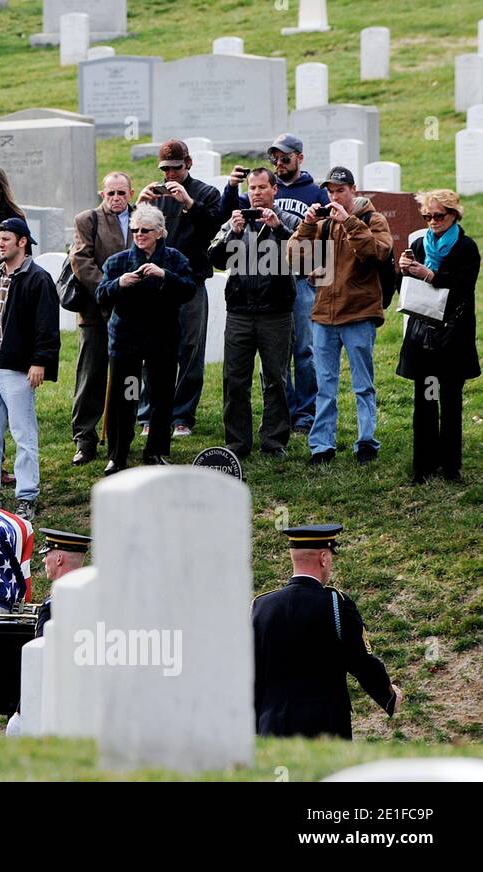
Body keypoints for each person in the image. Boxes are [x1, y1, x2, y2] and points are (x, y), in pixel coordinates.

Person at [252, 524, 400, 739]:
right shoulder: (335, 604)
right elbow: (361, 661)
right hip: (324, 728)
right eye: (330, 556)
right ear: (323, 558)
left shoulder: (260, 606)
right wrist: (389, 696)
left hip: (272, 727)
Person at [224, 134, 329, 435]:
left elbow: (323, 234)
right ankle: (288, 409)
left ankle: (306, 413)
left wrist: (322, 266)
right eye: (275, 159)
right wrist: (231, 187)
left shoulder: (314, 191)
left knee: (304, 351)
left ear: (299, 158)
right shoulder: (258, 192)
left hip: (300, 280)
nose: (279, 163)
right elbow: (228, 218)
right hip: (261, 288)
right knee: (276, 359)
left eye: (285, 158)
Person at [289, 166, 393, 465]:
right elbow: (294, 257)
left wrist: (349, 222)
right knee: (325, 385)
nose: (334, 196)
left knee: (363, 384)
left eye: (340, 190)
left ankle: (366, 442)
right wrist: (307, 225)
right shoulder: (323, 224)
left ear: (353, 190)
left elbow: (376, 253)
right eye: (331, 191)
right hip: (324, 313)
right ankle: (322, 445)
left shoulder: (372, 219)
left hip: (359, 312)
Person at [0, 218, 59, 520]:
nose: (0, 243)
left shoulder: (37, 278)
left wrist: (40, 361)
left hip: (18, 369)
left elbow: (46, 325)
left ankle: (26, 496)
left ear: (22, 242)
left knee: (23, 435)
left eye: (6, 238)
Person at [96, 204, 197, 474]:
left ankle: (156, 451)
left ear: (160, 232)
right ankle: (118, 455)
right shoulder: (117, 262)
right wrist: (119, 284)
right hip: (127, 344)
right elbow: (101, 295)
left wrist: (165, 275)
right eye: (136, 230)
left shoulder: (174, 259)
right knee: (125, 396)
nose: (140, 235)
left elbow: (189, 290)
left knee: (161, 397)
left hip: (161, 341)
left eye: (146, 230)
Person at [207, 168, 300, 459]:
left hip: (277, 312)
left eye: (263, 187)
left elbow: (307, 257)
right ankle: (237, 443)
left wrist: (278, 229)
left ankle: (274, 441)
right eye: (252, 188)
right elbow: (215, 259)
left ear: (275, 190)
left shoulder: (288, 221)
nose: (257, 193)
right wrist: (231, 235)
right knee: (234, 380)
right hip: (240, 312)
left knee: (276, 379)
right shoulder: (234, 222)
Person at [135, 140, 222, 438]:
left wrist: (189, 204)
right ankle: (149, 413)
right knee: (152, 348)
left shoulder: (206, 193)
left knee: (190, 349)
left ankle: (182, 415)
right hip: (155, 283)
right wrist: (141, 206)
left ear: (188, 164)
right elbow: (137, 238)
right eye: (165, 169)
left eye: (176, 168)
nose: (170, 175)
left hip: (190, 281)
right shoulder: (155, 197)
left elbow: (214, 230)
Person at [396, 189, 480, 484]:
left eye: (438, 215)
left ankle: (451, 466)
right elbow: (406, 290)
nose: (432, 221)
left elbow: (462, 288)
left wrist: (428, 274)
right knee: (426, 400)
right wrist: (404, 270)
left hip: (453, 338)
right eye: (427, 216)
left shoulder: (466, 248)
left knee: (451, 402)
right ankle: (424, 465)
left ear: (454, 214)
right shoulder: (419, 245)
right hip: (426, 339)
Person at [68, 172, 135, 466]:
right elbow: (81, 261)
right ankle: (85, 438)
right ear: (102, 195)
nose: (116, 199)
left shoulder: (141, 219)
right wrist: (110, 290)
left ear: (131, 194)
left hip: (133, 312)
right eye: (111, 194)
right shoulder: (88, 220)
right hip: (96, 311)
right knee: (91, 376)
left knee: (129, 378)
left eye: (121, 193)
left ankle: (123, 437)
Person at [5, 527, 90, 737]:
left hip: (45, 702)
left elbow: (42, 657)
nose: (44, 561)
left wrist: (24, 709)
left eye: (47, 554)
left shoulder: (54, 605)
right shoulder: (91, 600)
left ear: (59, 558)